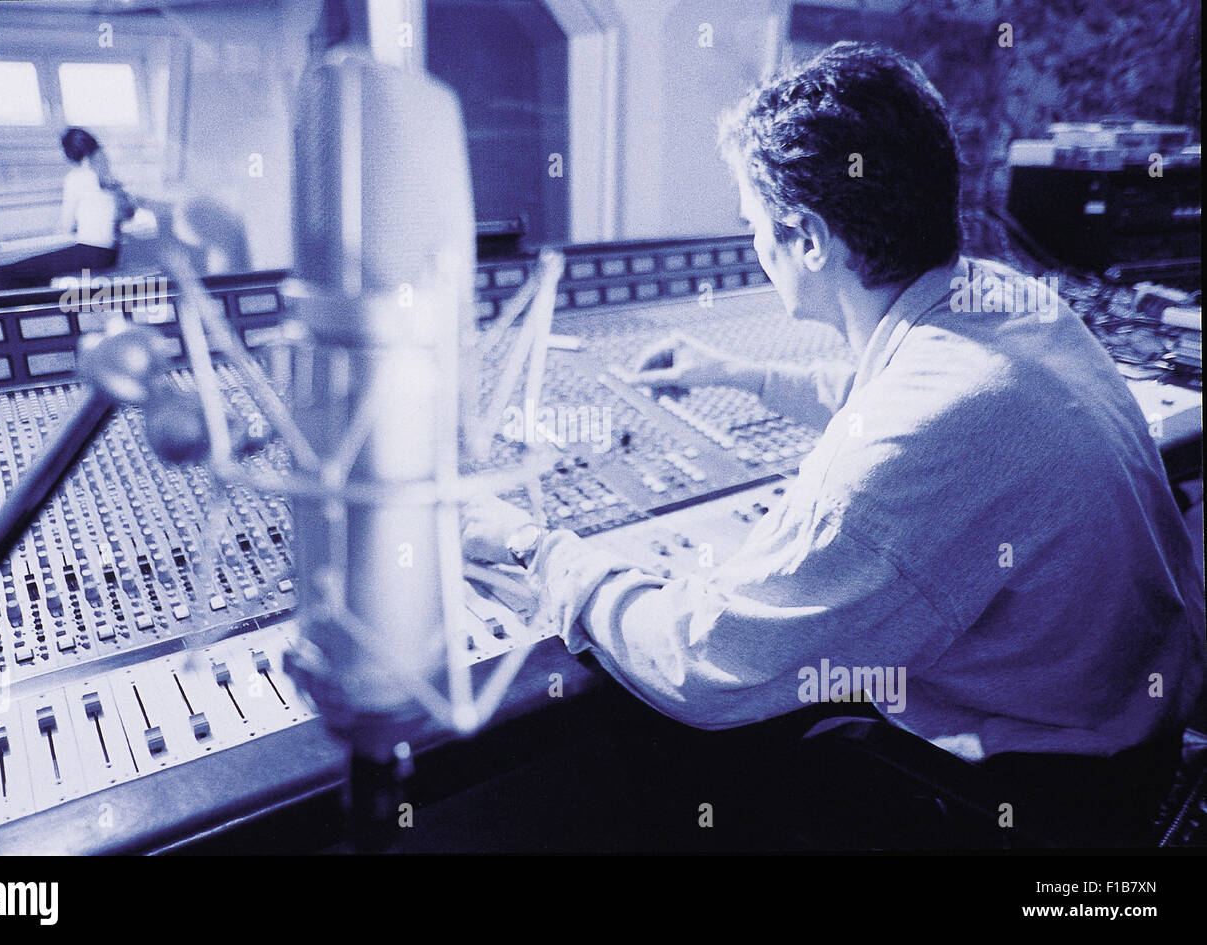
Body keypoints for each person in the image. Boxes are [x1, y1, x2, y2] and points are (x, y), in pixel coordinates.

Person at [460, 42, 1205, 845]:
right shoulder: (1003, 300)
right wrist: (739, 374)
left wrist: (534, 546)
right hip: (1143, 736)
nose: (750, 243)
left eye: (752, 225)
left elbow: (701, 661)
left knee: (676, 756)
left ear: (808, 240)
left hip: (1051, 803)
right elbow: (892, 389)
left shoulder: (913, 438)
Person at [0, 127, 128, 291]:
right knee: (32, 268)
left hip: (89, 254)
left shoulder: (76, 177)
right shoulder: (105, 175)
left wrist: (43, 238)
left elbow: (66, 226)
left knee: (13, 271)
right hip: (109, 255)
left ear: (69, 153)